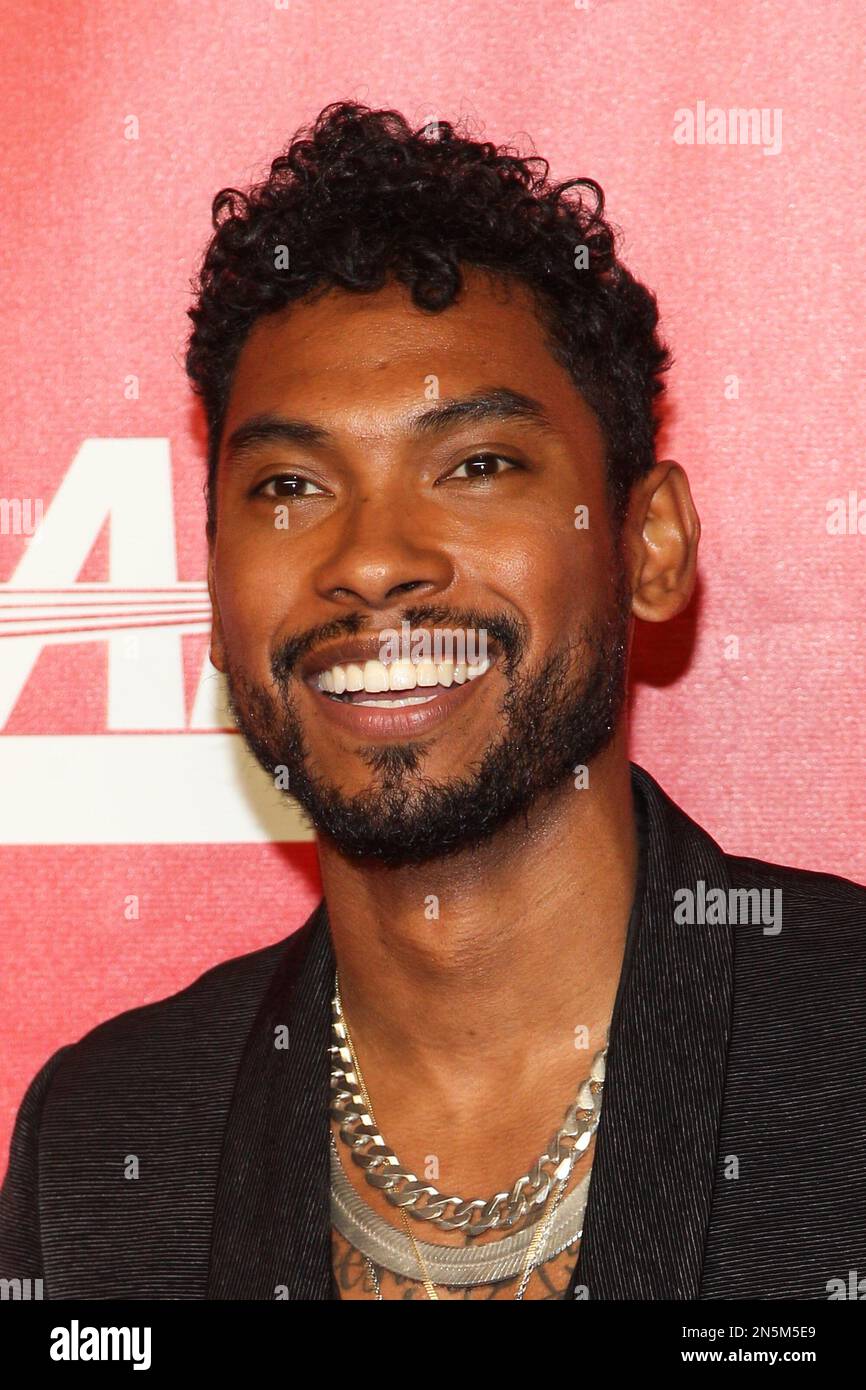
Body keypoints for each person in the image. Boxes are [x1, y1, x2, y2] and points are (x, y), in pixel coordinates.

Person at [1, 102, 864, 1302]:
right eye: (291, 484)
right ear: (213, 587)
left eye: (474, 466)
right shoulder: (104, 1147)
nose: (369, 556)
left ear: (648, 541)